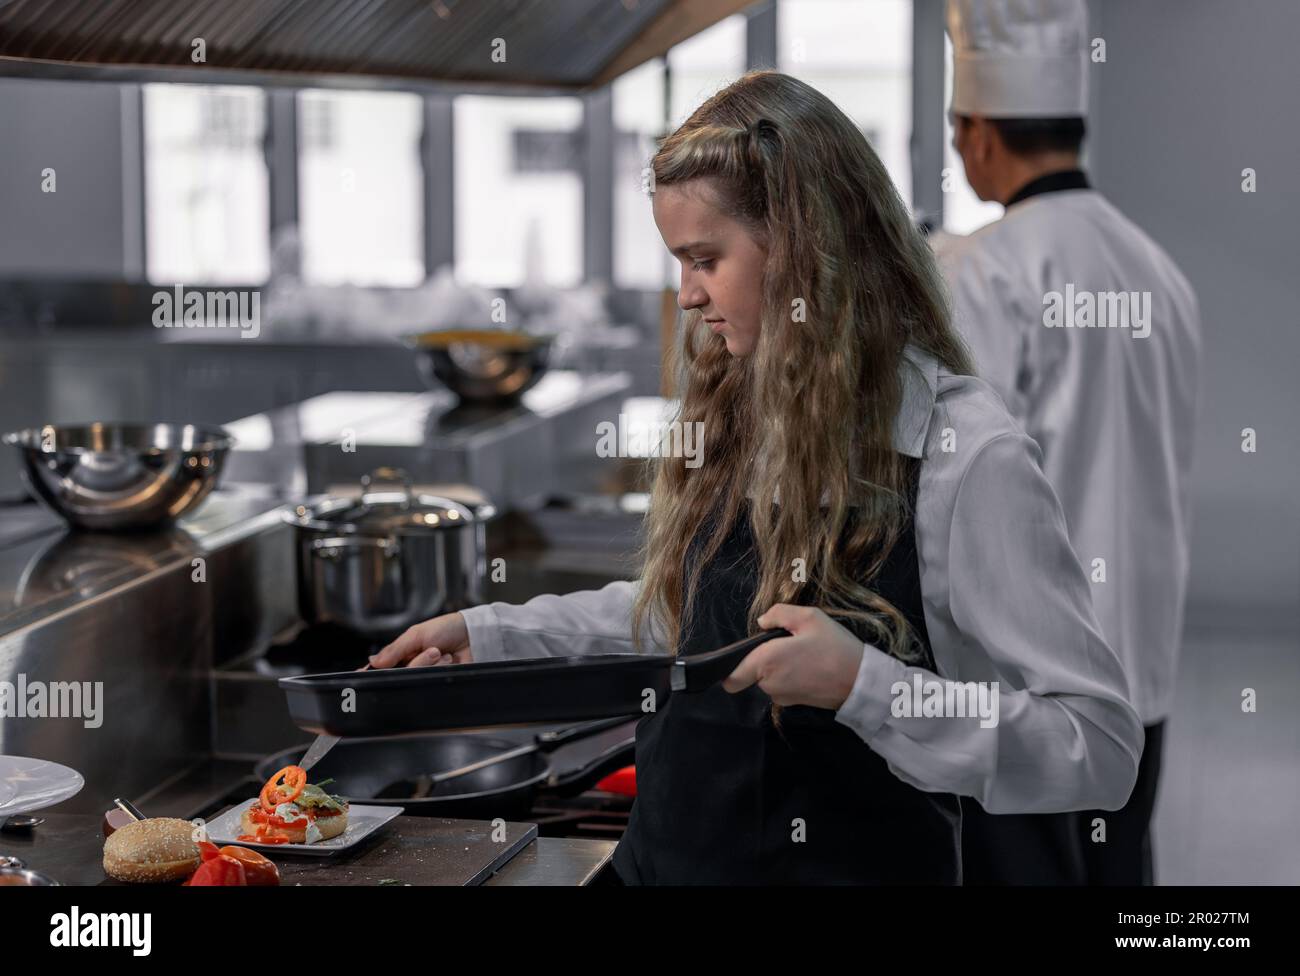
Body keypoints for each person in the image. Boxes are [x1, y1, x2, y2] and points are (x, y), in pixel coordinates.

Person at [371, 70, 1143, 885]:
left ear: (810, 248)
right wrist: (493, 634)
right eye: (679, 261)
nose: (688, 294)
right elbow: (693, 624)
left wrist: (863, 685)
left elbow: (1097, 748)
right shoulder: (739, 408)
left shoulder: (962, 455)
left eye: (705, 258)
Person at [939, 0, 1203, 885]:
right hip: (1140, 669)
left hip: (1034, 683)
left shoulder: (983, 268)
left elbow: (959, 486)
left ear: (976, 134)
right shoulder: (1159, 272)